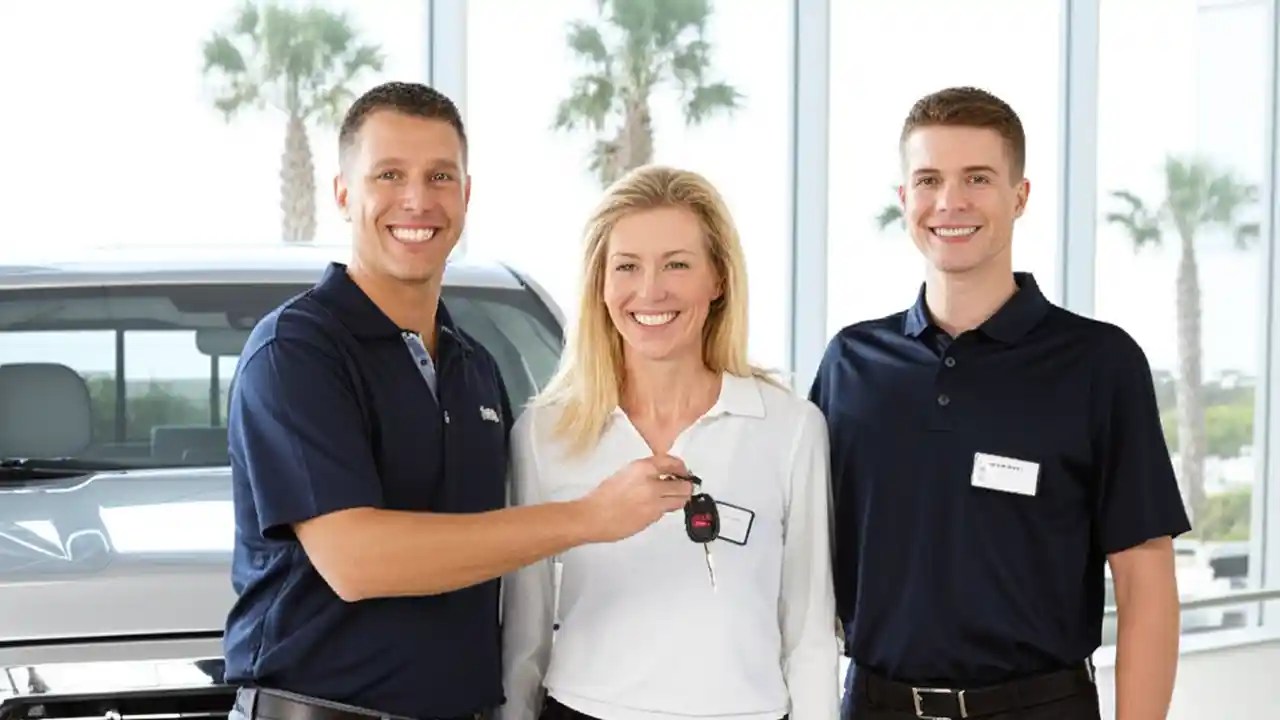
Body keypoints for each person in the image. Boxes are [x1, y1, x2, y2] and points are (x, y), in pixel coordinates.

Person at [222, 82, 694, 720]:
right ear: (342, 193)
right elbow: (356, 561)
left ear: (466, 195)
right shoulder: (297, 351)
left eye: (440, 176)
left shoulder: (477, 368)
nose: (417, 200)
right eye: (389, 174)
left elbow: (509, 566)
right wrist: (588, 517)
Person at [809, 86, 1191, 720]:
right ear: (904, 198)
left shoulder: (1099, 363)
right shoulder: (851, 364)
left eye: (977, 178)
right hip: (873, 706)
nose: (949, 202)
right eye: (928, 179)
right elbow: (802, 556)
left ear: (1020, 196)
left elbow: (1146, 580)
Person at [499, 165, 840, 720]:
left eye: (677, 264)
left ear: (718, 279)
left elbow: (809, 635)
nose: (650, 290)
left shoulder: (789, 427)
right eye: (627, 266)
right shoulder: (546, 434)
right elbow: (523, 633)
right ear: (601, 285)